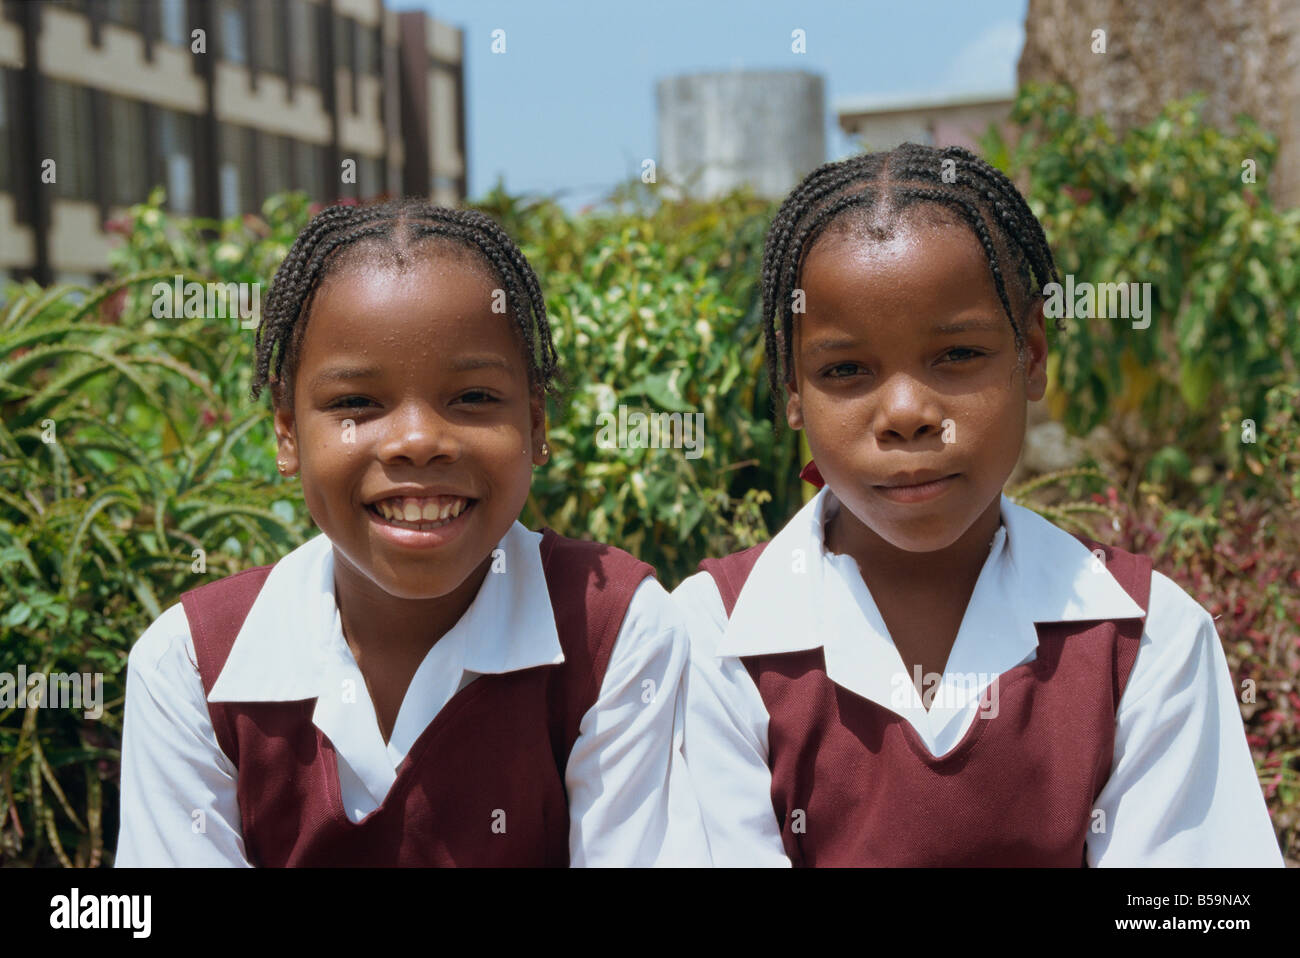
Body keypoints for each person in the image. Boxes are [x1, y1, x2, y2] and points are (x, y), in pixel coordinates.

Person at [674, 144, 1284, 867]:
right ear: (792, 391)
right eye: (844, 369)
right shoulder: (711, 641)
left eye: (957, 355)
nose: (906, 413)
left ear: (1031, 353)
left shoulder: (1146, 641)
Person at [117, 200, 702, 866]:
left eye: (474, 397)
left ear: (537, 423)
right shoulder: (190, 668)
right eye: (356, 403)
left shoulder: (614, 635)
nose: (419, 442)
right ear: (287, 433)